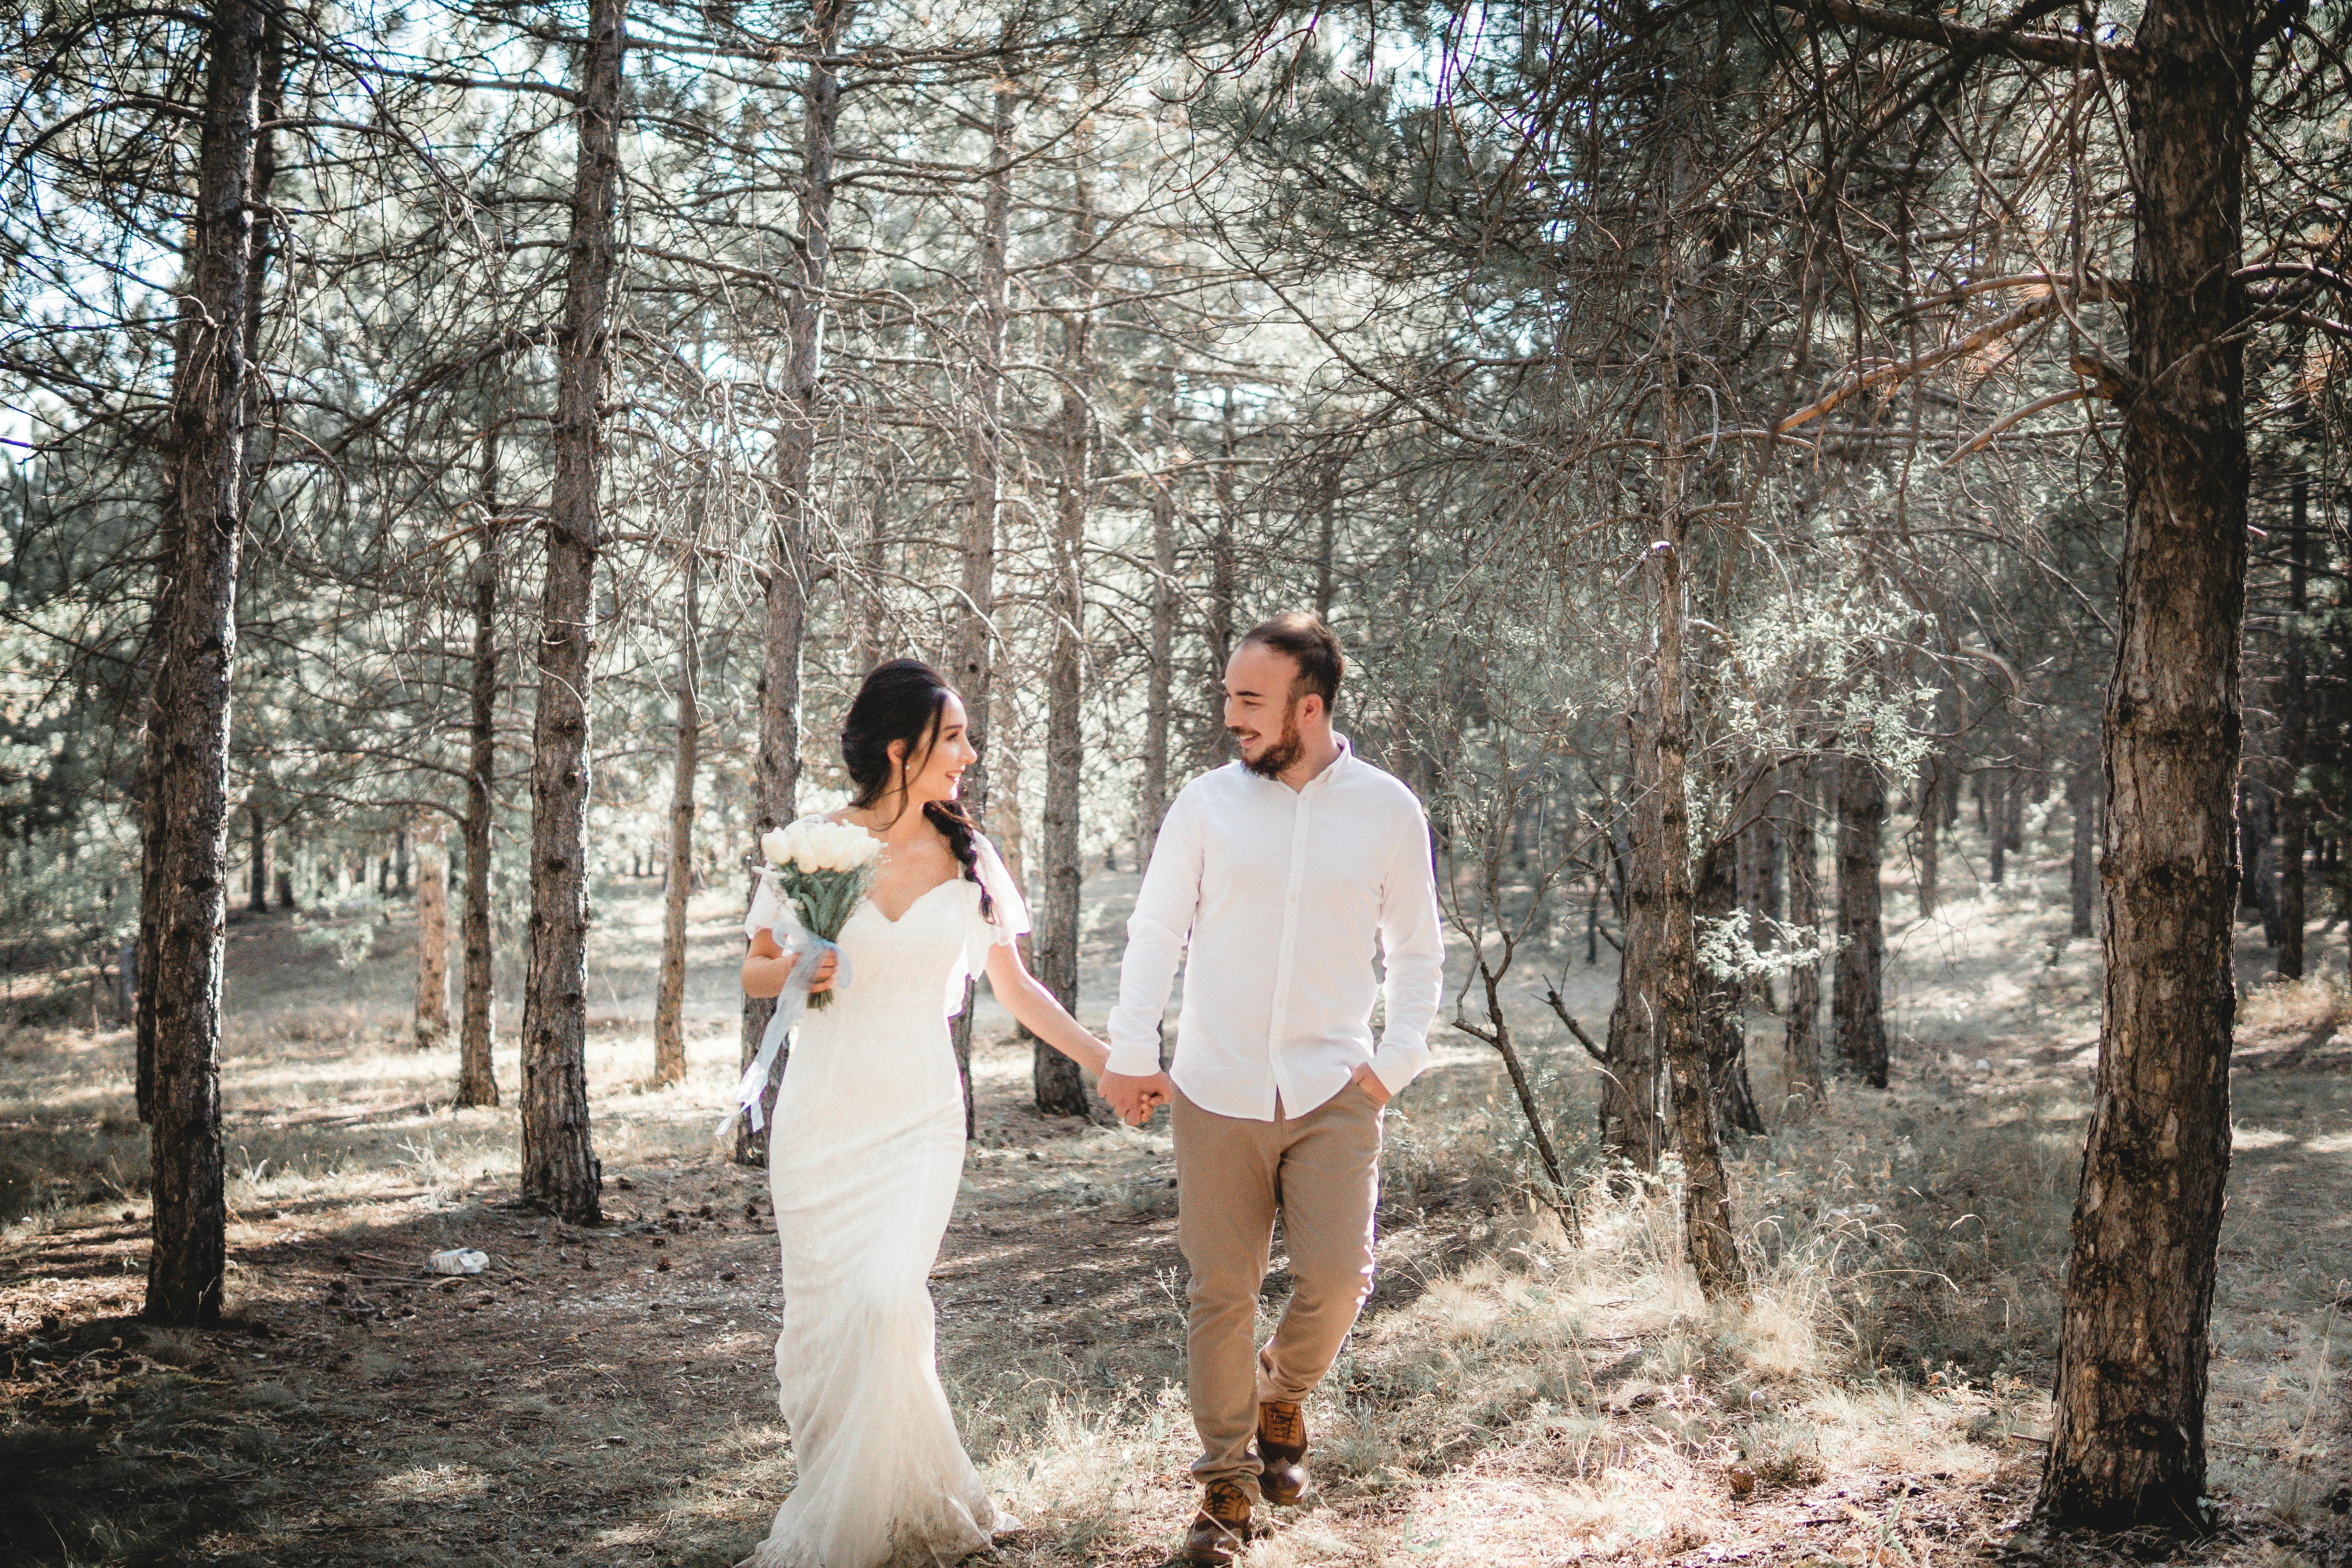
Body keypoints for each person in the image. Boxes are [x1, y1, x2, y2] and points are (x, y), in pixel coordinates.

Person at [736, 658, 1130, 1568]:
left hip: (918, 1114)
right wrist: (797, 969)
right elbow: (757, 965)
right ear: (899, 749)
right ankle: (904, 1493)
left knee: (885, 1298)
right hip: (822, 1117)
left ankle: (856, 1524)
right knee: (830, 1323)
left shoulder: (969, 856)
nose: (970, 753)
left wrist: (1104, 1059)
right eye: (953, 737)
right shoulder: (810, 846)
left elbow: (1016, 988)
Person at [1099, 612, 1446, 1564]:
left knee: (1339, 1280)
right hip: (1216, 1089)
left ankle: (1281, 1392)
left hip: (1337, 1087)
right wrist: (1133, 1048)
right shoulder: (1206, 803)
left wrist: (1396, 1060)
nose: (1231, 718)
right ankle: (1225, 1491)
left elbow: (1417, 951)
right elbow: (1156, 931)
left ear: (1310, 705)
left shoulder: (1386, 809)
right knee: (1221, 1290)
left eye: (1249, 701)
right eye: (1226, 697)